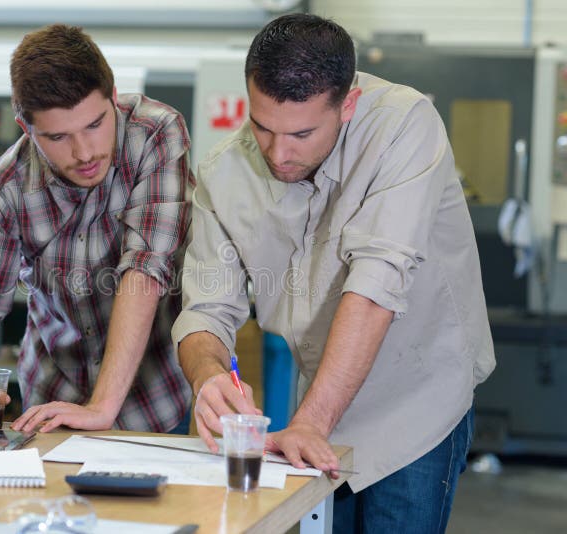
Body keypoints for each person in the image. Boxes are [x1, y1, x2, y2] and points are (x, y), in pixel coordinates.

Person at [172, 13, 495, 533]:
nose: (278, 154)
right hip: (321, 397)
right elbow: (205, 310)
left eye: (301, 132)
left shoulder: (404, 126)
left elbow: (375, 285)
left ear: (347, 104)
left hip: (416, 403)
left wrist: (309, 423)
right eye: (262, 127)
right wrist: (207, 375)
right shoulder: (223, 173)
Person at [0, 24, 193, 435]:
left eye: (95, 125)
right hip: (52, 402)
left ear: (113, 97)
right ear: (26, 128)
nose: (85, 152)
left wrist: (101, 408)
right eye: (58, 137)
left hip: (155, 403)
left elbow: (145, 271)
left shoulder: (156, 134)